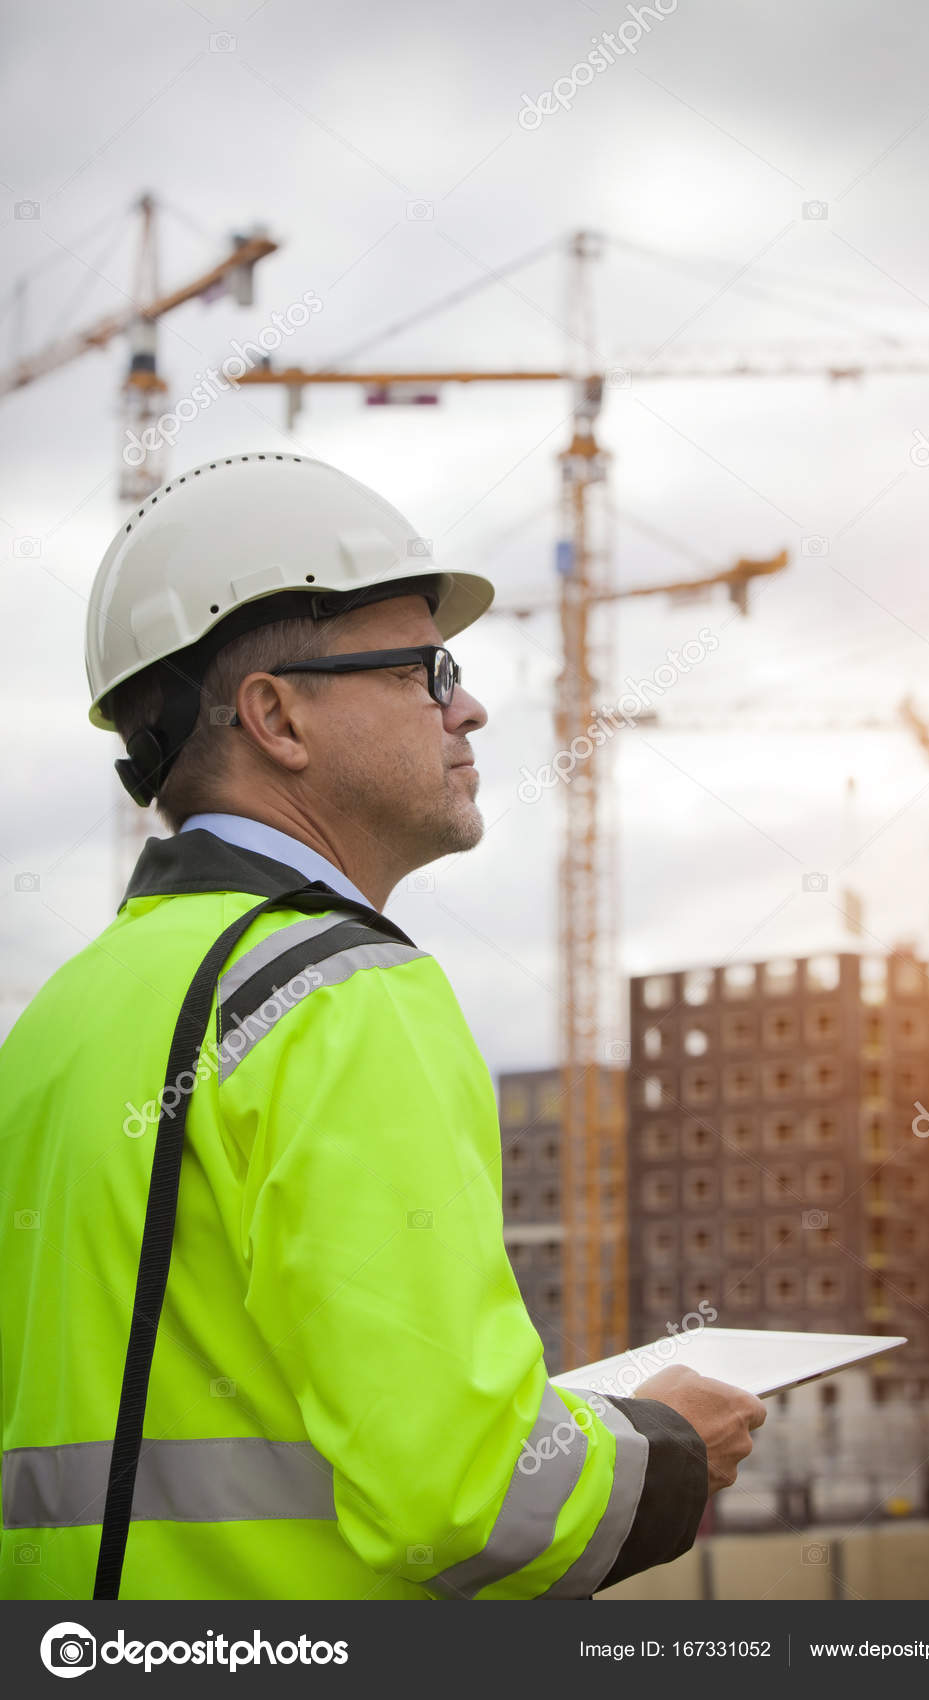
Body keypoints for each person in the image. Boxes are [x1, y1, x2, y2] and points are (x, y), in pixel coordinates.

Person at [0, 452, 765, 1601]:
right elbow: (467, 1500)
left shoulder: (59, 1022)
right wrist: (666, 1449)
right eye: (421, 667)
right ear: (276, 716)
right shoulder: (340, 993)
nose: (466, 703)